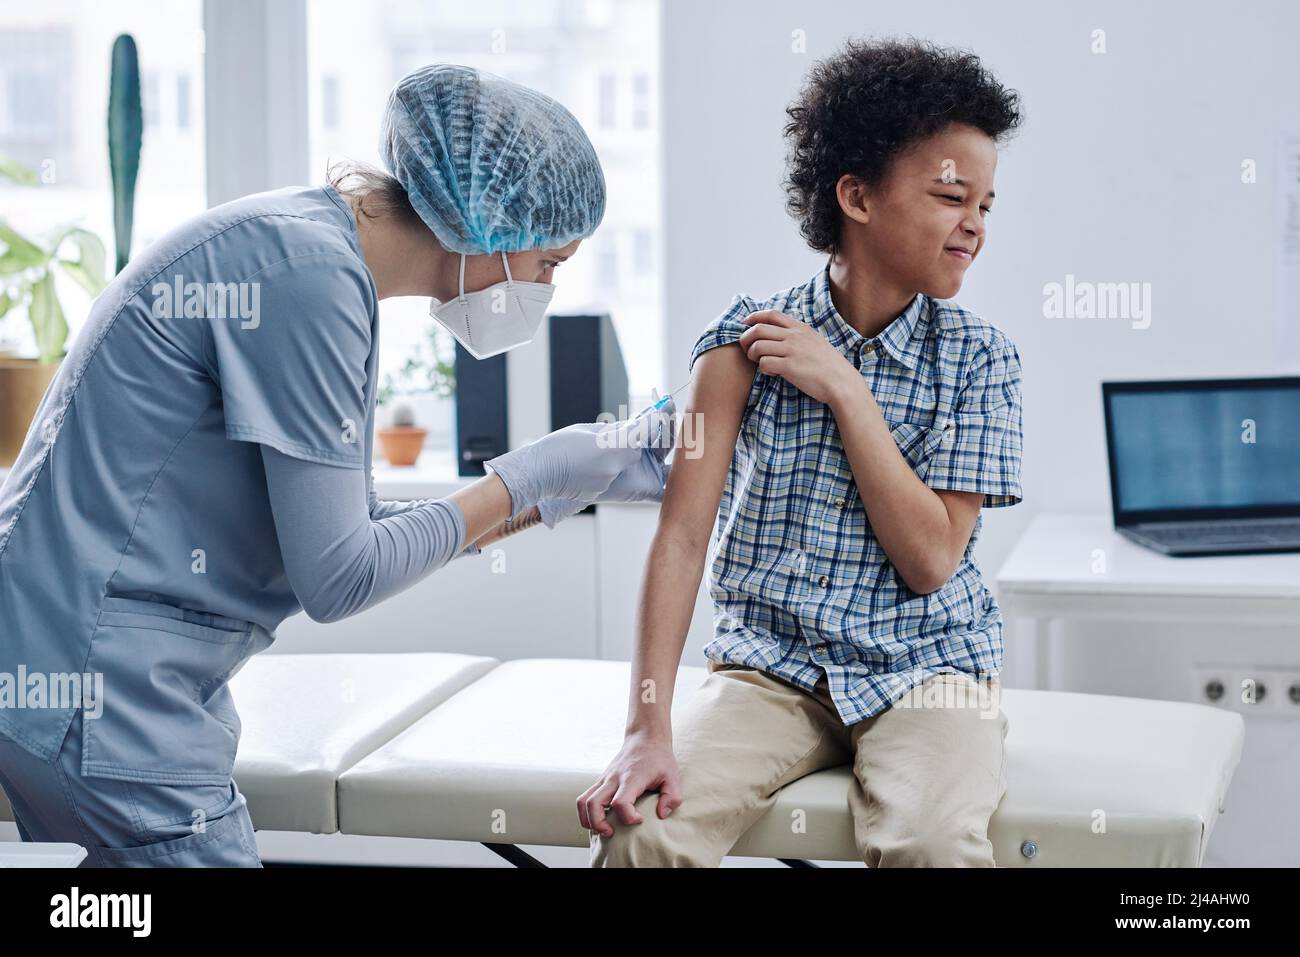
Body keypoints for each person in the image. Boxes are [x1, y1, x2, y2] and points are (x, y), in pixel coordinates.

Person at [0, 63, 670, 867]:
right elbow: (340, 577)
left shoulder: (318, 258)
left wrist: (556, 491)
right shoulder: (309, 280)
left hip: (85, 666)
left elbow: (352, 533)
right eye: (550, 265)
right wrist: (530, 474)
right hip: (101, 687)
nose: (545, 291)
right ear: (493, 224)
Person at [579, 37, 1026, 867]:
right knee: (644, 834)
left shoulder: (982, 362)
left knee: (932, 845)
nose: (974, 223)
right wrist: (648, 728)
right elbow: (680, 538)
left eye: (987, 205)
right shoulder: (737, 348)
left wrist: (848, 393)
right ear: (856, 196)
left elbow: (931, 558)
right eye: (950, 195)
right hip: (768, 671)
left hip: (931, 670)